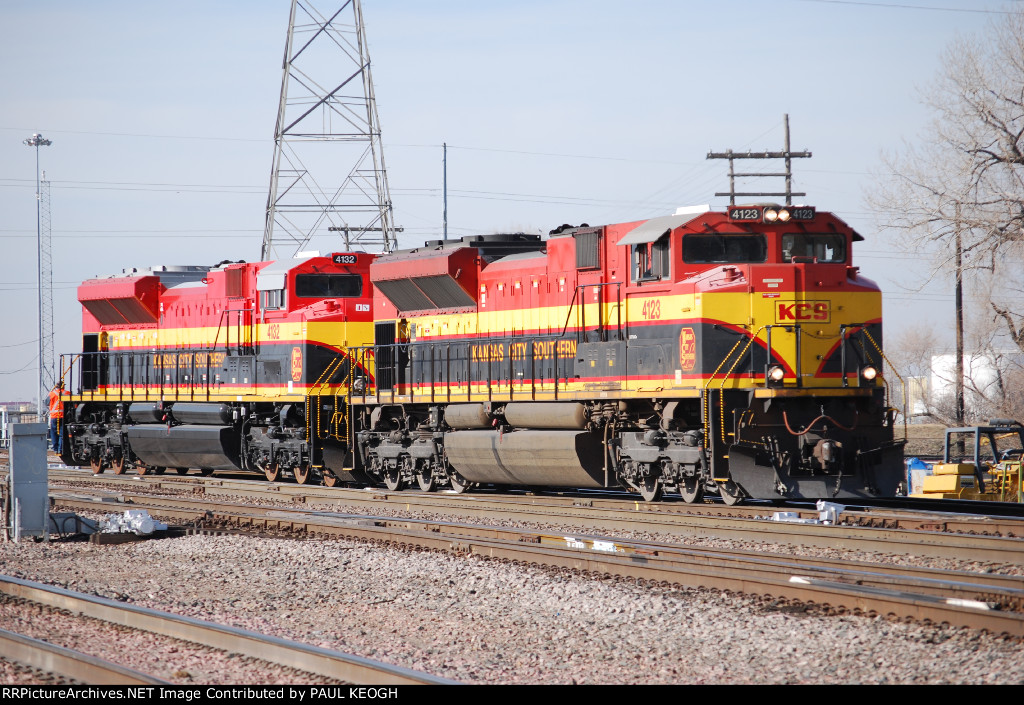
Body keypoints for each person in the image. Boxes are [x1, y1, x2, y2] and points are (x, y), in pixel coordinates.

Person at [48, 382, 63, 454]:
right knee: (61, 433)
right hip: (62, 416)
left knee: (53, 433)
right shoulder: (66, 393)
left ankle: (55, 449)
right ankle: (60, 449)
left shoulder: (51, 393)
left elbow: (46, 402)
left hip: (54, 416)